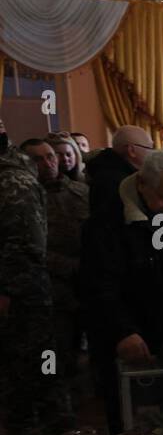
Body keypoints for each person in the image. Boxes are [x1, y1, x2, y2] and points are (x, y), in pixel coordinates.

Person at [80, 151, 163, 433]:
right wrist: (122, 331)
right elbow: (98, 286)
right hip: (128, 340)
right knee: (132, 427)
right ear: (142, 185)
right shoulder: (105, 225)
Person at [0, 126, 75, 435]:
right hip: (22, 295)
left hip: (21, 299)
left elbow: (27, 247)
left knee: (33, 378)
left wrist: (6, 292)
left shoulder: (12, 180)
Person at [20, 139, 89, 383]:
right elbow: (26, 245)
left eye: (50, 156)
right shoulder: (23, 197)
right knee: (57, 354)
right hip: (50, 288)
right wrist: (67, 266)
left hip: (86, 284)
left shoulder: (81, 191)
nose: (48, 163)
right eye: (38, 159)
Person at [84, 125, 153, 219]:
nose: (152, 153)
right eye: (149, 148)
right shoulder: (116, 181)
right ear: (131, 151)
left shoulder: (108, 169)